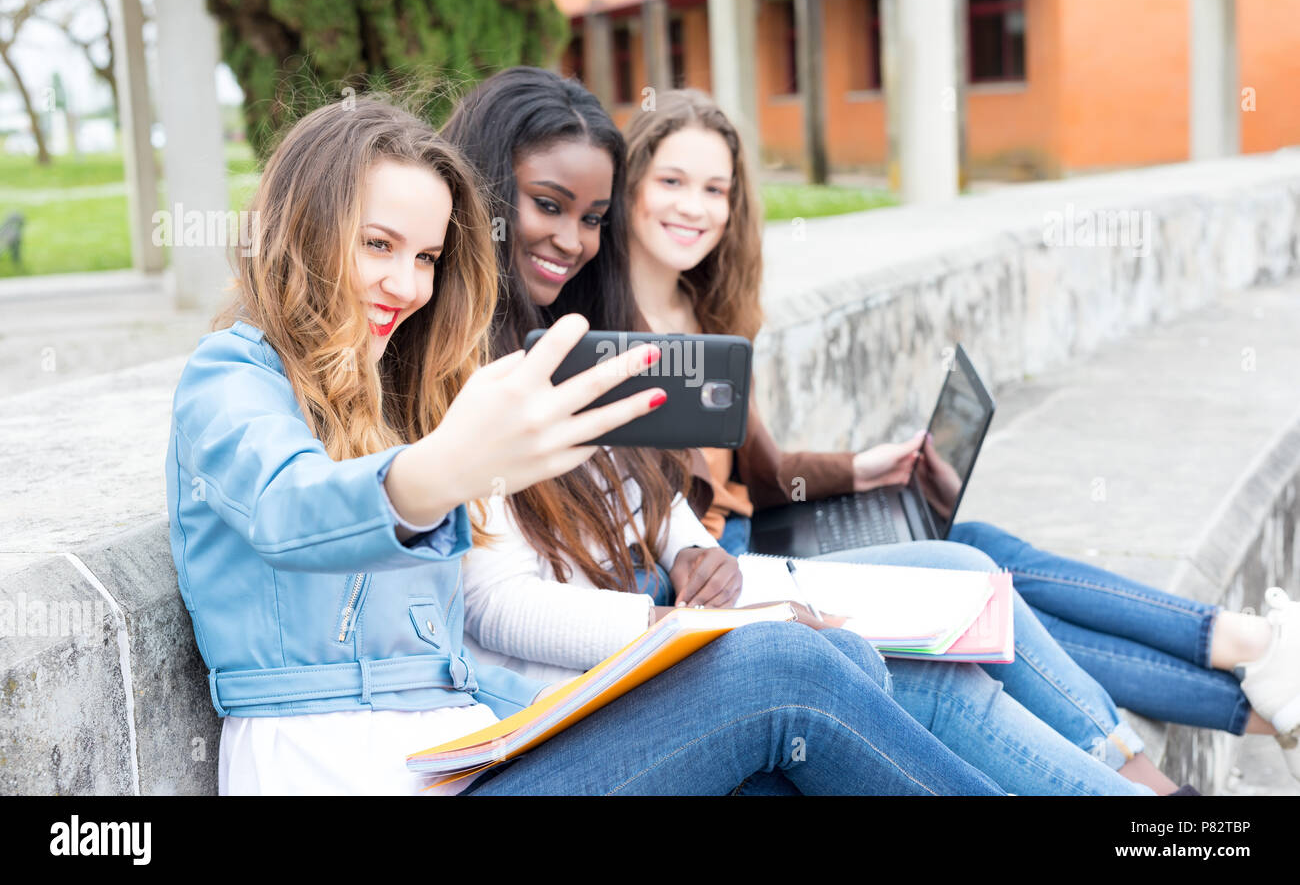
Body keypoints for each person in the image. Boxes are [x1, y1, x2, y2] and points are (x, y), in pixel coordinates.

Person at [164, 93, 1013, 796]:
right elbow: (292, 511)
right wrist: (448, 468)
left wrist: (646, 665)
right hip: (346, 776)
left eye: (425, 257)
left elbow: (458, 662)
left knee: (823, 681)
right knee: (785, 669)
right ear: (303, 231)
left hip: (472, 751)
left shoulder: (394, 387)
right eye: (377, 246)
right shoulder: (232, 381)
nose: (407, 284)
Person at [444, 66, 1157, 795]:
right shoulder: (463, 371)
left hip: (672, 597)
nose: (573, 239)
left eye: (592, 218)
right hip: (594, 670)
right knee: (900, 647)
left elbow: (647, 491)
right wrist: (686, 623)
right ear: (488, 197)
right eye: (547, 206)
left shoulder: (584, 329)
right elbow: (497, 604)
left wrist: (691, 550)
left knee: (970, 574)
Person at [617, 86, 1300, 783]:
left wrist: (865, 471)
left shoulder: (708, 306)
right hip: (725, 563)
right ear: (631, 181)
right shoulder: (606, 330)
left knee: (981, 548)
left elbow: (759, 471)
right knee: (974, 592)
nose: (693, 207)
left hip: (762, 527)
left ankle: (1240, 670)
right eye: (671, 181)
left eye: (714, 188)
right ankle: (1219, 694)